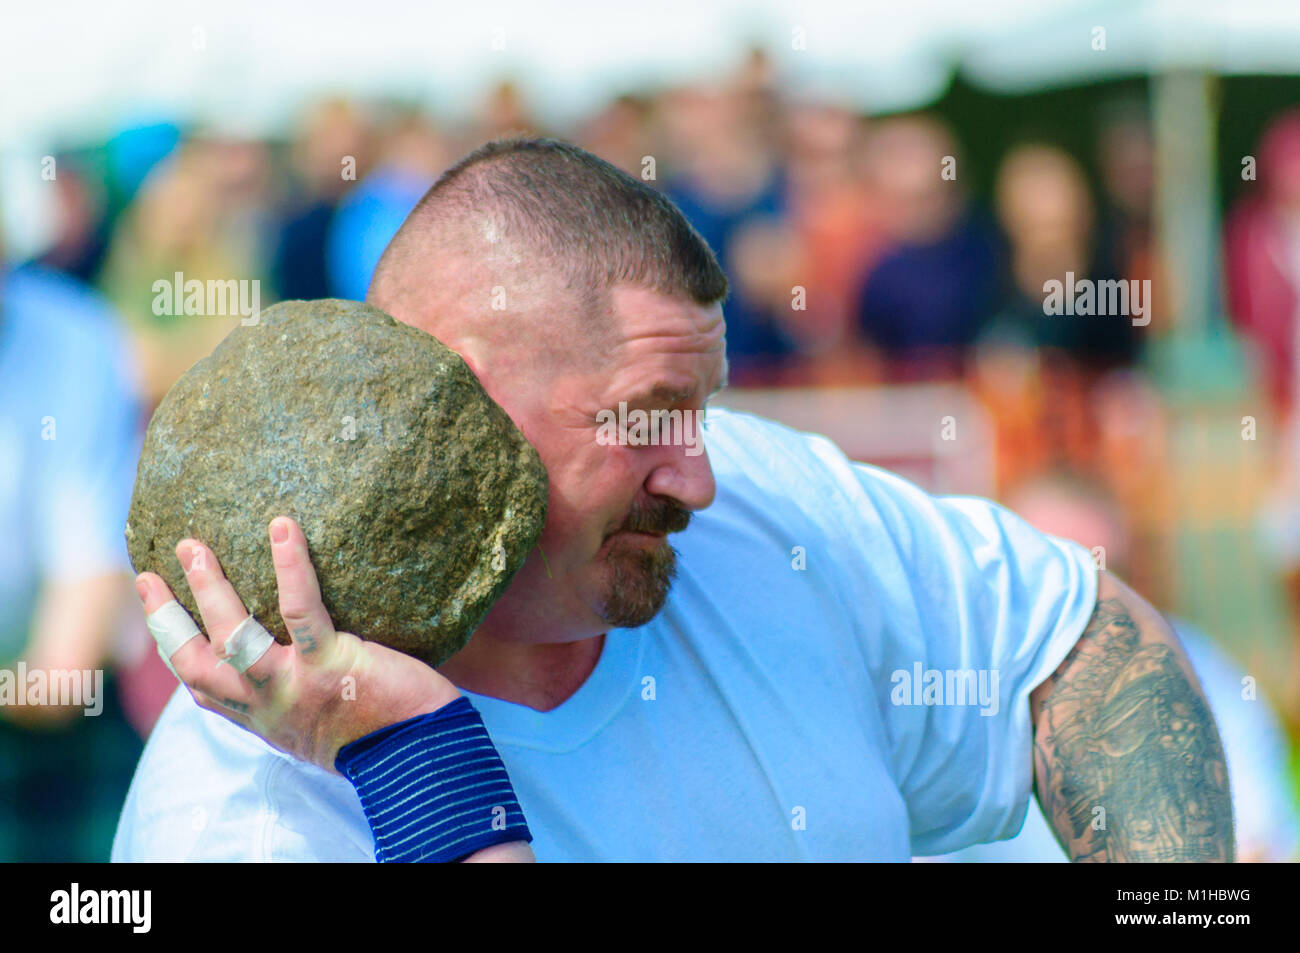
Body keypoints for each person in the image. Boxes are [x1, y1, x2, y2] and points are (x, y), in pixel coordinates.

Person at [113, 138, 1233, 862]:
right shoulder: (240, 811)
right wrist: (419, 757)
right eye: (645, 413)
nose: (697, 474)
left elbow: (1078, 638)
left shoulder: (778, 511)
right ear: (452, 400)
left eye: (702, 409)